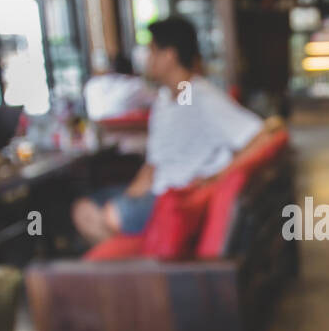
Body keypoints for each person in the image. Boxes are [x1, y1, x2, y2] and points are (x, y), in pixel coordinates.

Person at [72, 17, 272, 245]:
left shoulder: (200, 96)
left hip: (180, 200)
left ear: (169, 56)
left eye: (151, 51)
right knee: (83, 209)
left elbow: (262, 137)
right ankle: (136, 258)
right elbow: (153, 166)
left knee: (110, 215)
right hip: (157, 191)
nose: (146, 58)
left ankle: (137, 260)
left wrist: (218, 176)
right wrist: (131, 195)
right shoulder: (167, 99)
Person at [82, 52, 153, 122]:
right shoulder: (135, 85)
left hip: (97, 130)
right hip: (128, 130)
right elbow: (158, 100)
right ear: (131, 71)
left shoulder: (92, 84)